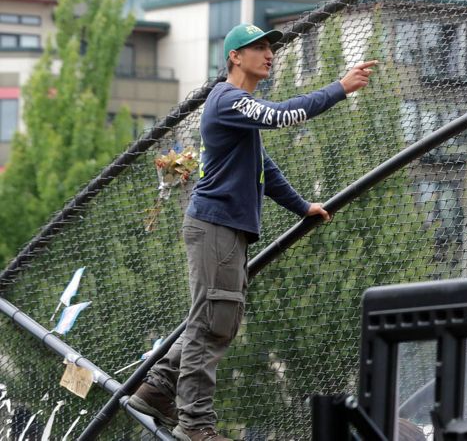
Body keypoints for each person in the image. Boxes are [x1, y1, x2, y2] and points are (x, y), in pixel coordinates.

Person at [129, 23, 377, 441]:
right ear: (234, 57)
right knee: (214, 322)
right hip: (216, 226)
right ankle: (195, 424)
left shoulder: (238, 111)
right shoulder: (229, 99)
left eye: (269, 47)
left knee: (211, 318)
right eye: (258, 47)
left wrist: (302, 206)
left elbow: (263, 167)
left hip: (224, 228)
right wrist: (340, 88)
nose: (269, 54)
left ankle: (156, 389)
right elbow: (282, 115)